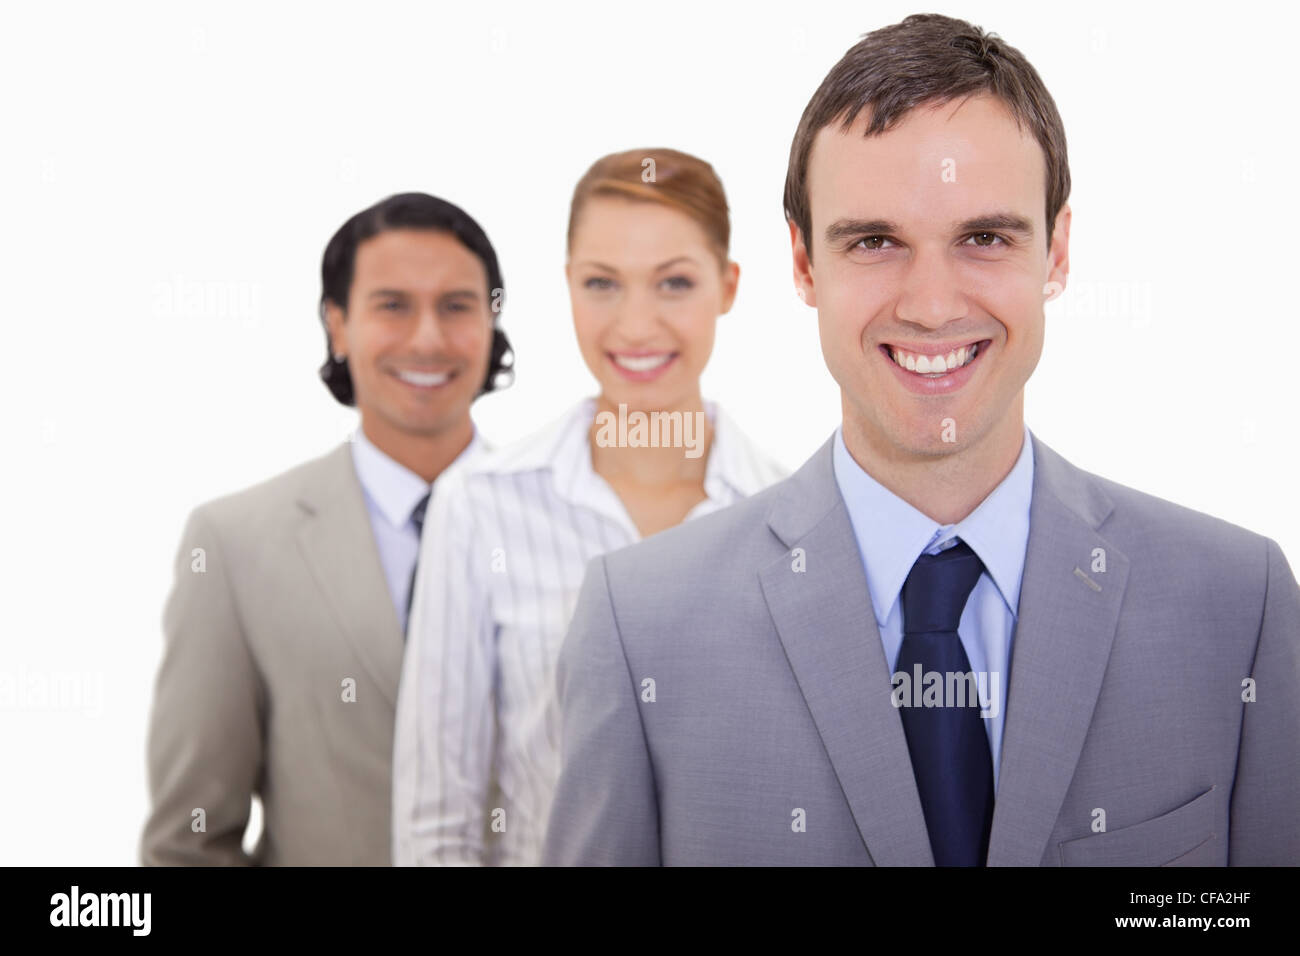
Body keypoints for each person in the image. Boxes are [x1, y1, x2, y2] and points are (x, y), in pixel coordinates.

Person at [542, 15, 1300, 866]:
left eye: (984, 238)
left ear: (1056, 252)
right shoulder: (639, 626)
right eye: (875, 241)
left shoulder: (1240, 606)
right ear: (804, 264)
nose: (932, 306)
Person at [392, 148, 788, 866]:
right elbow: (436, 826)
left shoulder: (789, 518)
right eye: (602, 283)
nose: (635, 326)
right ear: (569, 285)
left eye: (674, 282)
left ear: (727, 287)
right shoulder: (481, 506)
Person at [141, 192, 513, 865]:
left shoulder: (580, 528)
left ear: (492, 322)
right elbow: (189, 845)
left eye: (457, 306)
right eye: (392, 305)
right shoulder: (235, 545)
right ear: (337, 325)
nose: (427, 338)